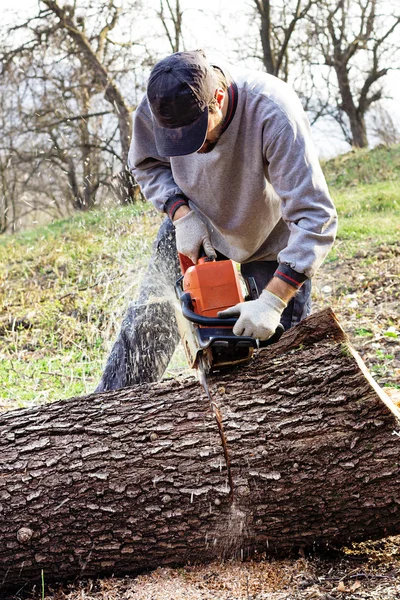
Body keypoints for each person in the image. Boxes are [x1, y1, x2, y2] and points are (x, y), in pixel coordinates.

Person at [95, 49, 337, 392]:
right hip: (196, 223)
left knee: (278, 365)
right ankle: (110, 413)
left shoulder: (273, 112)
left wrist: (273, 301)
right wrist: (181, 213)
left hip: (269, 239)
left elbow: (315, 217)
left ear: (218, 98)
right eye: (175, 140)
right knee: (148, 322)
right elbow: (147, 164)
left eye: (195, 134)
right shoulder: (159, 105)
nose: (189, 150)